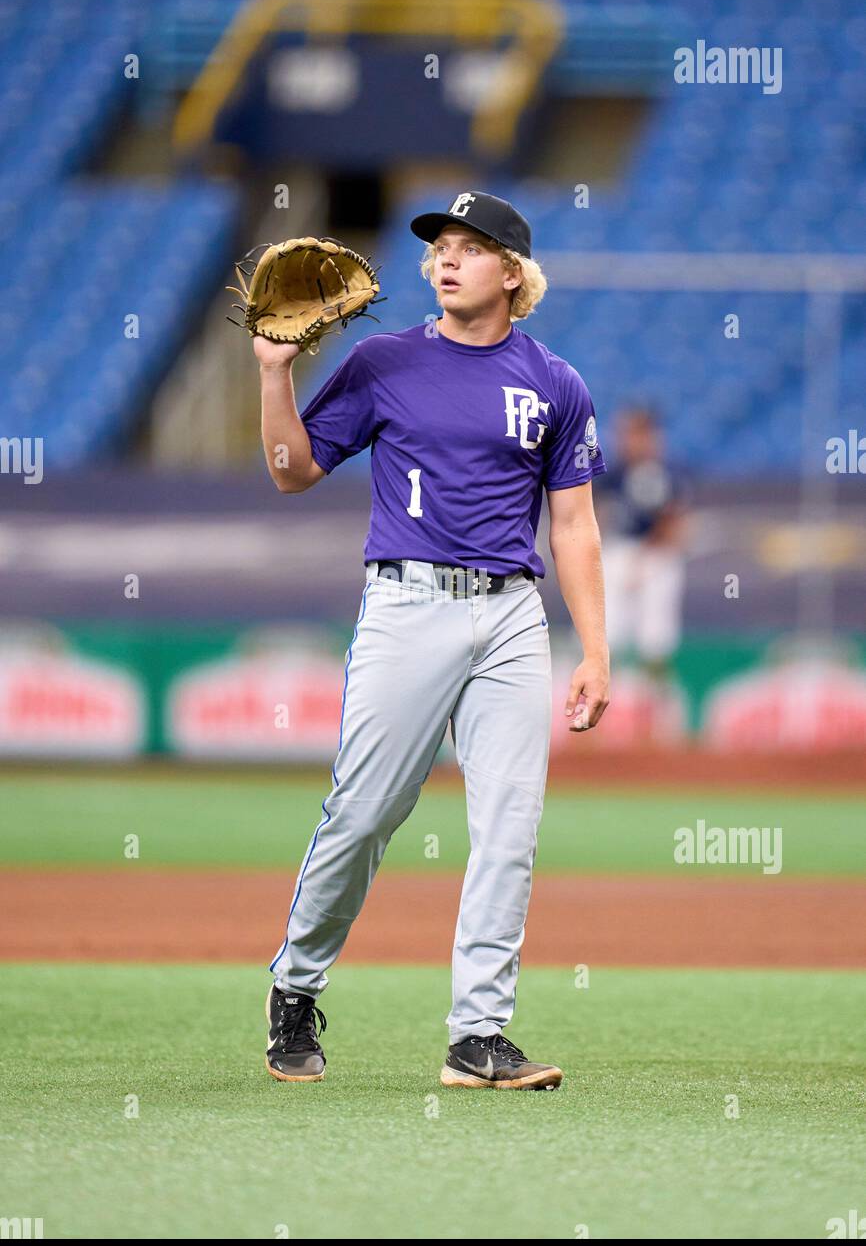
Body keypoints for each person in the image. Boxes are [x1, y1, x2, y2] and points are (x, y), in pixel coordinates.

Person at [254, 190, 609, 1091]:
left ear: (513, 274)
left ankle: (478, 1036)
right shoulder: (383, 362)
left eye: (471, 247)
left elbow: (573, 526)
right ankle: (295, 983)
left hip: (512, 617)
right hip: (408, 606)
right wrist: (271, 375)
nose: (448, 259)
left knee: (510, 827)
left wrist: (597, 649)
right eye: (439, 246)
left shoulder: (556, 383)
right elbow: (293, 473)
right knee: (366, 813)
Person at [599, 406, 687, 683]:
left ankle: (657, 706)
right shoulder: (614, 472)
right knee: (607, 632)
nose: (626, 441)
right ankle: (612, 705)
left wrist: (643, 560)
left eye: (635, 434)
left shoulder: (663, 472)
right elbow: (598, 514)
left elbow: (673, 523)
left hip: (655, 556)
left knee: (655, 637)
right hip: (618, 551)